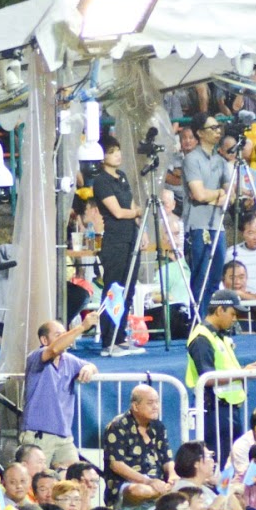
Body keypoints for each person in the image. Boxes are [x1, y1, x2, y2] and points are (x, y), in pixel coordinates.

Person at [187, 289, 256, 463]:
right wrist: (242, 374)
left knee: (233, 463)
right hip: (214, 410)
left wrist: (242, 372)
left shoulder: (220, 337)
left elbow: (225, 369)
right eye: (233, 314)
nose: (235, 319)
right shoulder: (202, 338)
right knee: (218, 462)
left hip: (227, 409)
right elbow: (207, 378)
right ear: (220, 310)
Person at [20, 316, 99, 470]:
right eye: (58, 335)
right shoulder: (36, 356)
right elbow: (53, 349)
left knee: (75, 477)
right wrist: (82, 327)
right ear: (44, 340)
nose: (65, 338)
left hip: (64, 437)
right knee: (36, 479)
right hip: (39, 436)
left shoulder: (69, 360)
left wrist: (88, 368)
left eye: (65, 334)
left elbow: (93, 366)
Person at [94, 140, 141, 353]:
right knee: (114, 289)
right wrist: (137, 212)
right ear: (103, 156)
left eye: (118, 151)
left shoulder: (121, 176)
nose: (117, 155)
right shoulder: (101, 181)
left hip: (131, 236)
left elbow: (129, 205)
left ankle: (120, 335)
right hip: (115, 240)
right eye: (112, 152)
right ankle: (108, 339)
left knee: (128, 289)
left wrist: (140, 227)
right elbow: (118, 212)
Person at [185, 112, 232, 316]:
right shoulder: (192, 159)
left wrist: (213, 195)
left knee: (214, 278)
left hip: (217, 225)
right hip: (198, 226)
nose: (217, 131)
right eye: (212, 128)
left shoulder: (221, 161)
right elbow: (198, 194)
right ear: (200, 133)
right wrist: (218, 193)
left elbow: (229, 195)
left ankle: (213, 320)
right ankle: (198, 321)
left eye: (218, 127)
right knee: (200, 278)